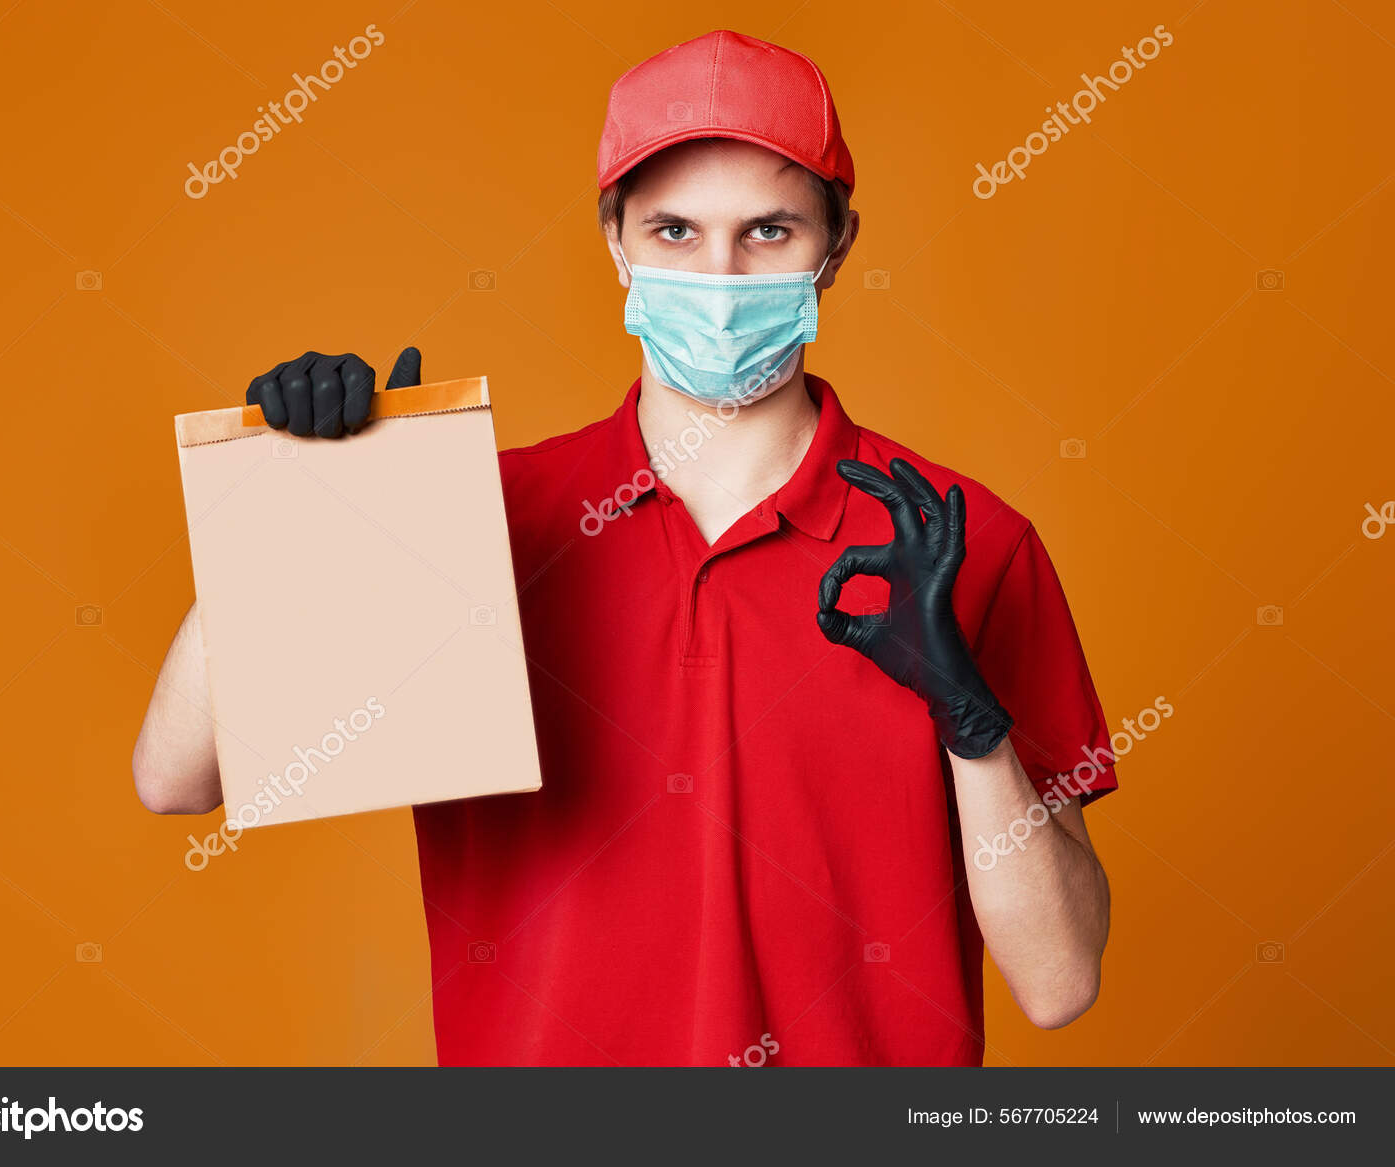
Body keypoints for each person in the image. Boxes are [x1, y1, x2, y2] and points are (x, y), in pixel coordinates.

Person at [132, 29, 1116, 1066]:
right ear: (615, 241)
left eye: (769, 230)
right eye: (675, 231)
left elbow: (1059, 980)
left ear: (836, 247)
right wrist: (289, 501)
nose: (720, 275)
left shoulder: (960, 542)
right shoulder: (475, 516)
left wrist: (972, 724)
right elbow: (176, 776)